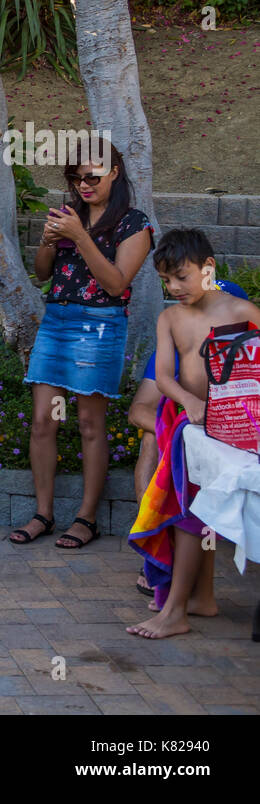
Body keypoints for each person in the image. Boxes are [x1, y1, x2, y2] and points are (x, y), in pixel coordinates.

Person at [10, 139, 153, 549]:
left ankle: (86, 519)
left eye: (92, 176)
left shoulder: (133, 223)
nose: (83, 184)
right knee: (43, 420)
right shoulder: (68, 214)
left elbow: (115, 282)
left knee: (90, 423)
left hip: (99, 325)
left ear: (114, 173)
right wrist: (50, 240)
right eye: (75, 177)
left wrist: (80, 235)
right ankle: (44, 514)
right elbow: (41, 273)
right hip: (57, 320)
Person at [127, 229, 260, 639]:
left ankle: (195, 601)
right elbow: (164, 376)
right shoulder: (171, 317)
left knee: (200, 513)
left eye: (181, 277)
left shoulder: (245, 312)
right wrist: (189, 401)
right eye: (166, 280)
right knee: (188, 512)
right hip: (189, 425)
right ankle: (181, 607)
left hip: (239, 425)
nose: (174, 288)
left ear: (208, 268)